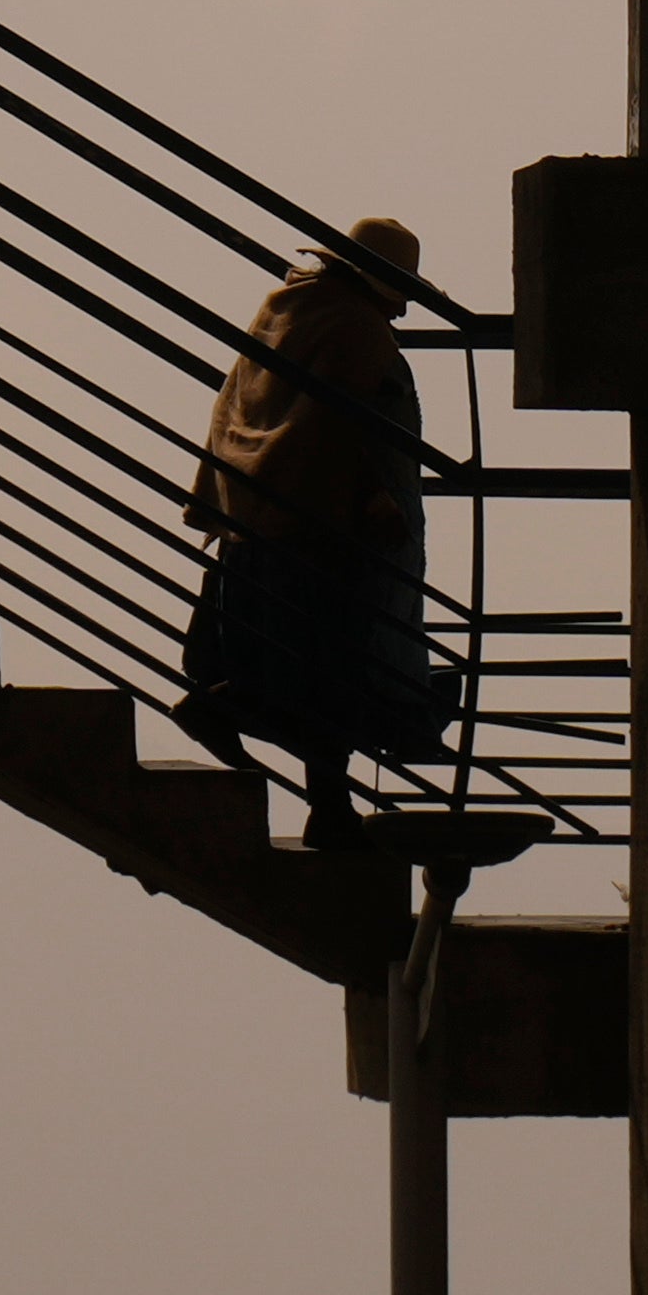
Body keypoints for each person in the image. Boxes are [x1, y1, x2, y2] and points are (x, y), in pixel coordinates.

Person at [178, 220, 449, 844]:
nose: (403, 309)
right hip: (323, 527)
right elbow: (340, 423)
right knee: (335, 670)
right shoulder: (357, 329)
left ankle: (326, 805)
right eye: (401, 292)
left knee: (305, 667)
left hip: (260, 511)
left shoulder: (290, 309)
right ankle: (241, 723)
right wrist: (375, 496)